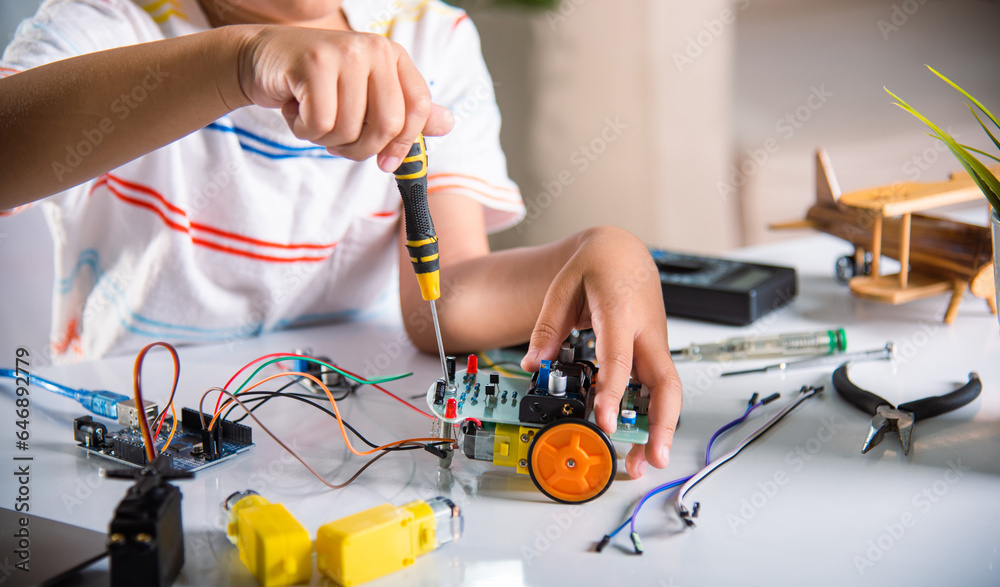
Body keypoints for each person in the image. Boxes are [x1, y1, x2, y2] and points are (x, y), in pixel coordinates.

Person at [0, 0, 681, 478]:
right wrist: (238, 65)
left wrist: (598, 251)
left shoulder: (431, 40)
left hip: (353, 453)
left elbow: (444, 305)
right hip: (140, 453)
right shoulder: (107, 26)